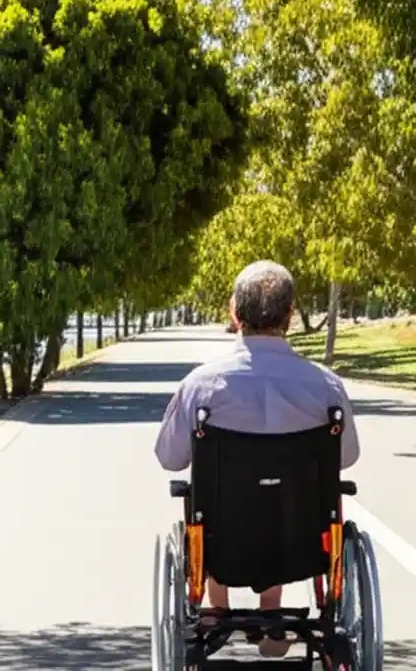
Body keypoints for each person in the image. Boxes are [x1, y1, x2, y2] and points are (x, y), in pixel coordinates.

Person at [154, 260, 360, 657]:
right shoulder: (326, 386)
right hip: (300, 544)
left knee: (208, 496)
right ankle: (274, 622)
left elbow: (169, 458)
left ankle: (217, 609)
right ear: (289, 314)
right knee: (281, 497)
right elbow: (346, 457)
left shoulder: (201, 386)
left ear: (235, 312)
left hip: (224, 541)